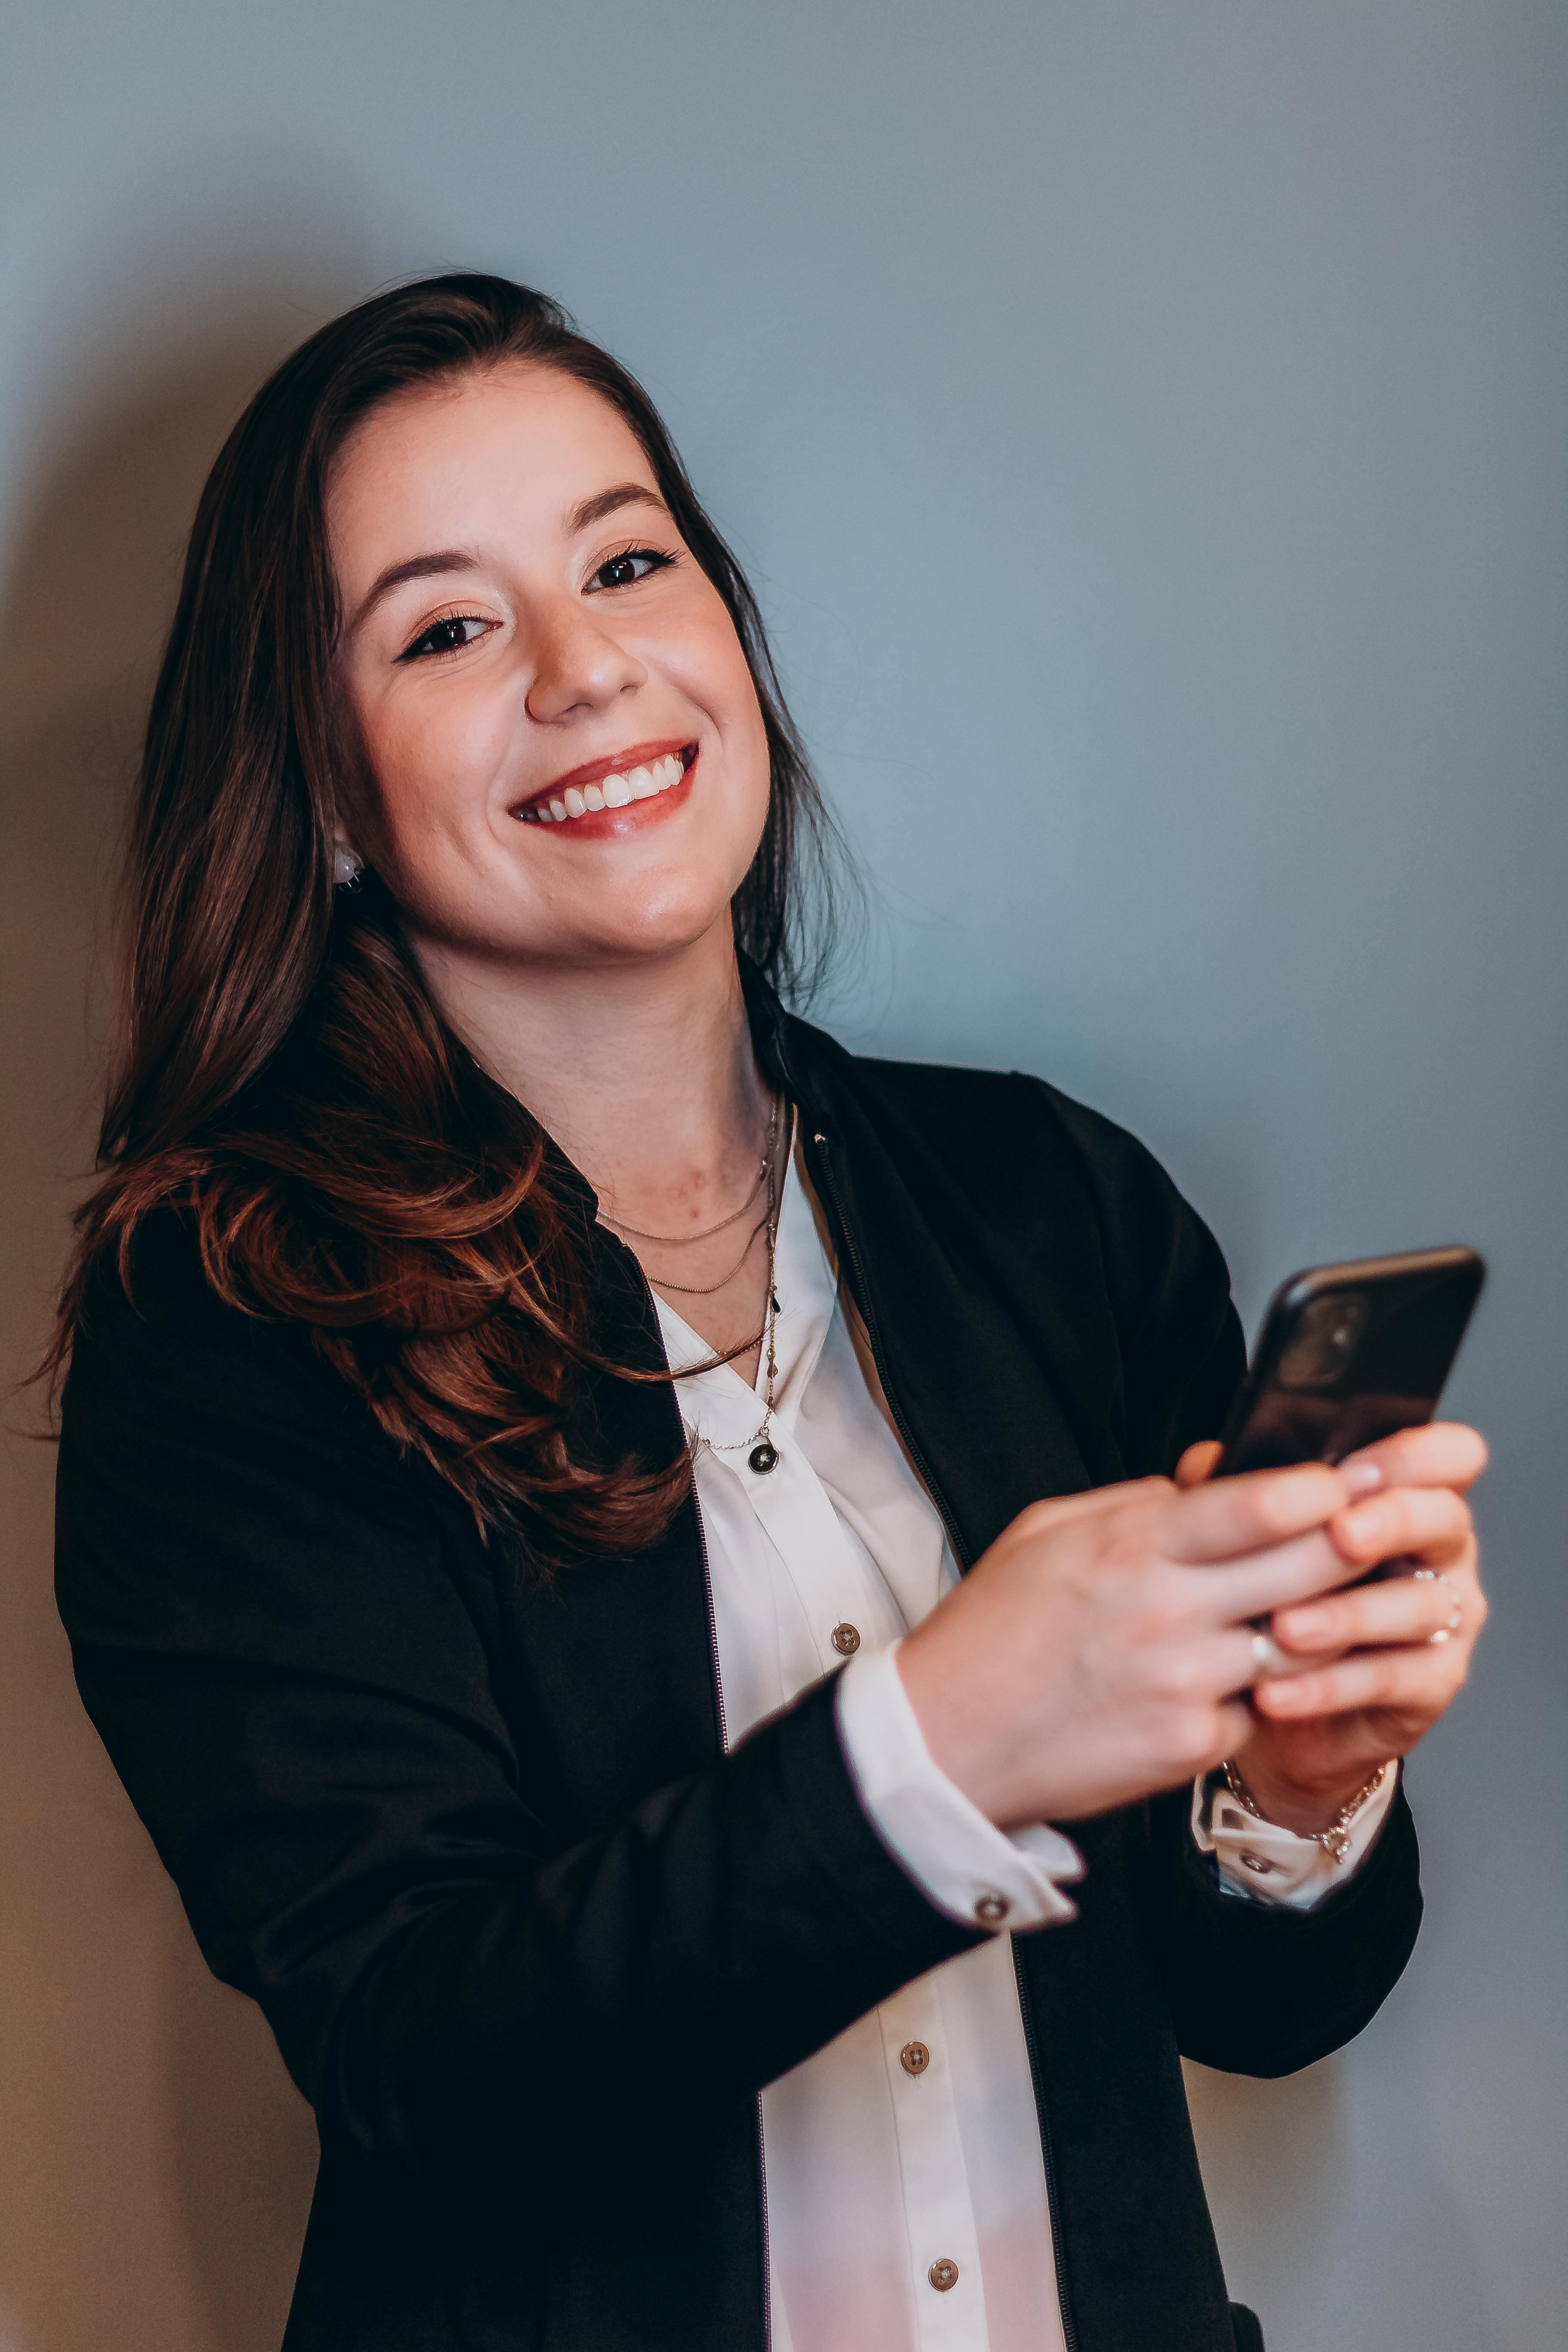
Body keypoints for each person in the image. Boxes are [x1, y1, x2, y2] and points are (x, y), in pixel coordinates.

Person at [50, 275, 1487, 2352]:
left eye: (629, 561)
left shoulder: (1053, 1202)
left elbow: (1272, 2012)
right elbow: (416, 2066)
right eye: (448, 627)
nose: (587, 668)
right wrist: (947, 1734)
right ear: (333, 798)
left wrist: (1299, 1783)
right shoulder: (228, 1325)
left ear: (725, 627)